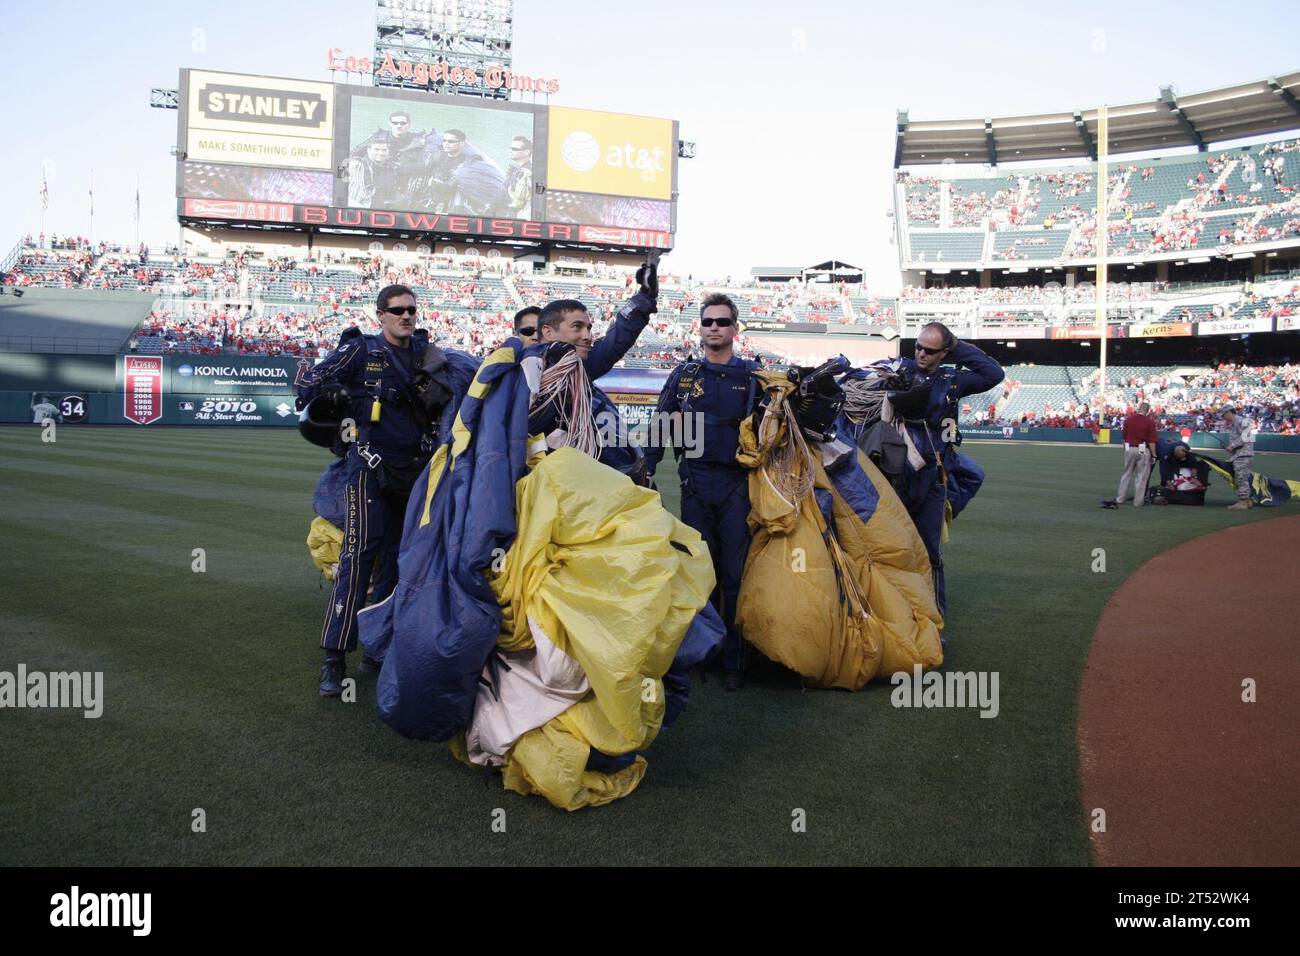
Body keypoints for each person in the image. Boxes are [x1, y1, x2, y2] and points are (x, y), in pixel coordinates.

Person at [295, 283, 469, 697]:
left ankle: (379, 647)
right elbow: (307, 386)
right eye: (397, 310)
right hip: (368, 470)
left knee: (400, 563)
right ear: (381, 315)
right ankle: (334, 659)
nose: (406, 316)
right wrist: (329, 394)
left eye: (411, 309)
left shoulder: (432, 356)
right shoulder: (362, 350)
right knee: (358, 558)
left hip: (416, 475)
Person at [646, 292, 760, 690]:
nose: (714, 327)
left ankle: (735, 661)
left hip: (737, 485)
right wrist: (645, 469)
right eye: (708, 321)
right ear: (700, 327)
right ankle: (703, 653)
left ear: (735, 328)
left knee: (735, 576)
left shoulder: (753, 376)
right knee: (699, 575)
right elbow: (661, 423)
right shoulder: (684, 375)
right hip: (694, 483)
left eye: (722, 321)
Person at [894, 322, 1004, 617]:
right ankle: (893, 611)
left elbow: (994, 374)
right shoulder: (898, 370)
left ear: (944, 353)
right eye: (917, 347)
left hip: (932, 477)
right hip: (895, 477)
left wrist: (959, 347)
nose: (921, 354)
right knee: (893, 547)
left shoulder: (953, 380)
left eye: (930, 350)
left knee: (930, 552)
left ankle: (933, 619)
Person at [536, 258, 659, 481]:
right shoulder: (528, 378)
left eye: (589, 328)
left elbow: (616, 340)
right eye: (577, 327)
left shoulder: (579, 368)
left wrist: (644, 298)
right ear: (548, 332)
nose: (588, 336)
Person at [1110, 401, 1157, 507]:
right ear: (1148, 411)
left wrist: (1126, 450)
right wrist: (1154, 455)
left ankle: (1120, 498)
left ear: (1138, 408)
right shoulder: (1150, 422)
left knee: (1126, 474)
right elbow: (1152, 441)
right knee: (1142, 476)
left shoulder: (1128, 420)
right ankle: (1138, 502)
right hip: (1142, 449)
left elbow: (1124, 438)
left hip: (1129, 448)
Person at [1223, 407, 1256, 509]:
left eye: (1223, 415)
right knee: (1242, 477)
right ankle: (1247, 501)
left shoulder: (1242, 421)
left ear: (1229, 412)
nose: (1223, 417)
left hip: (1243, 455)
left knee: (1241, 478)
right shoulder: (1235, 423)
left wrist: (1232, 446)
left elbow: (1248, 437)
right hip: (1240, 454)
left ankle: (1243, 501)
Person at [503, 135, 533, 219]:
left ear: (527, 152)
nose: (510, 151)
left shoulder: (528, 173)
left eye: (514, 149)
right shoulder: (515, 171)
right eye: (510, 148)